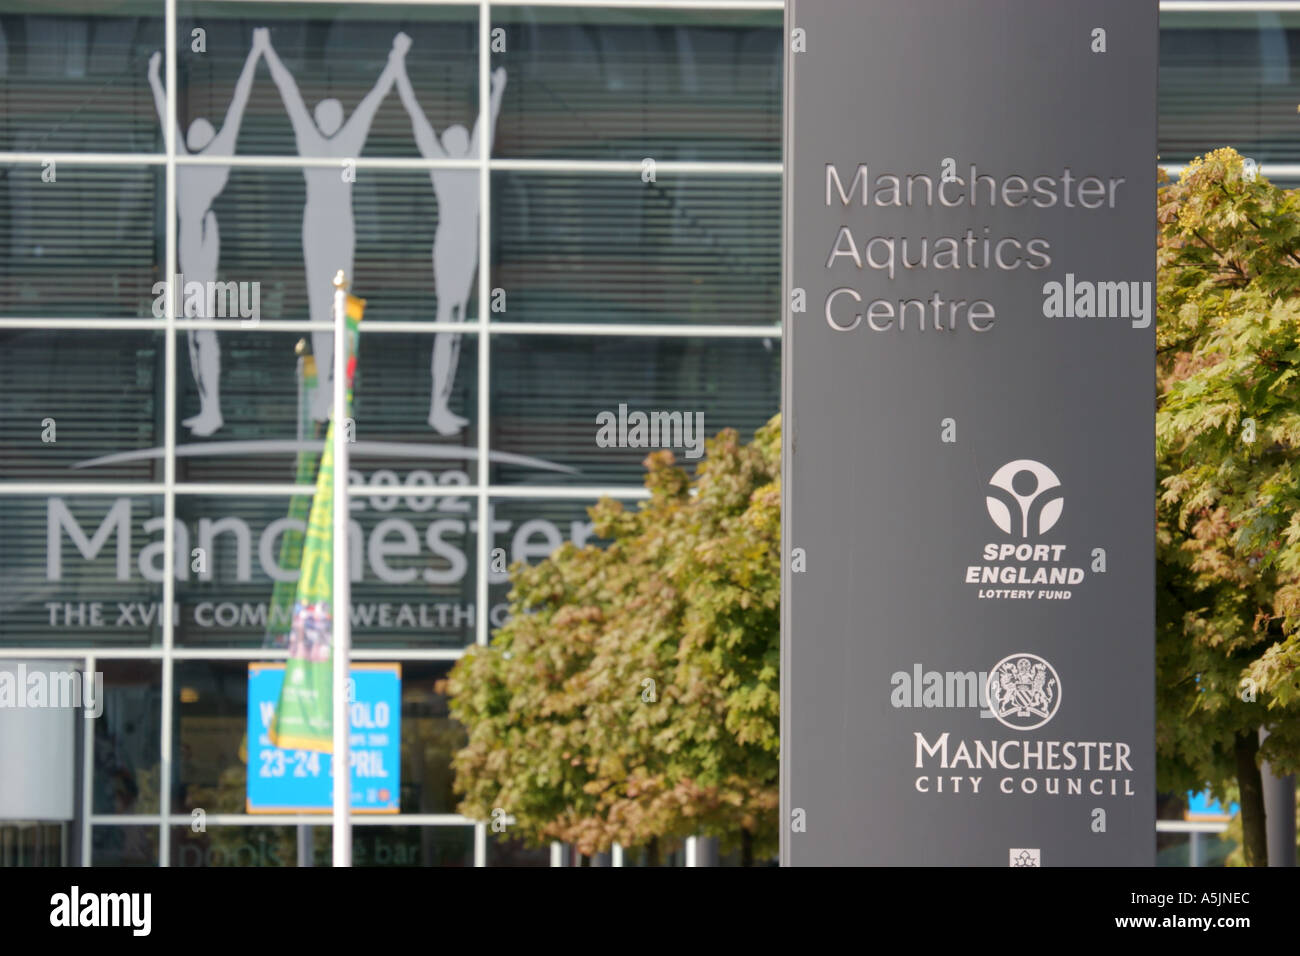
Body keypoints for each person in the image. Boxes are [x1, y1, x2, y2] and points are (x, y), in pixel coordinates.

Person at [262, 31, 411, 422]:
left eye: (334, 114)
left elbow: (374, 100)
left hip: (342, 228)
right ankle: (323, 392)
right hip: (316, 229)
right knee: (318, 306)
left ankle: (339, 390)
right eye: (323, 114)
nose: (328, 120)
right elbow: (290, 96)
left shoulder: (348, 139)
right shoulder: (309, 139)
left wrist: (396, 62)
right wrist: (267, 50)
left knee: (340, 309)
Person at [148, 33, 262, 436]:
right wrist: (154, 78)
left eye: (201, 129)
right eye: (191, 129)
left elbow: (237, 107)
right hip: (187, 241)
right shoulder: (183, 159)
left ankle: (212, 406)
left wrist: (253, 55)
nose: (194, 132)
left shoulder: (216, 159)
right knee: (196, 330)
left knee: (204, 327)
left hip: (203, 240)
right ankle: (207, 404)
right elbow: (166, 116)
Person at [392, 54, 506, 434]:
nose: (462, 143)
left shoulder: (474, 163)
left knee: (456, 327)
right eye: (453, 140)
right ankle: (437, 407)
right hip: (450, 245)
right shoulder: (442, 165)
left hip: (468, 245)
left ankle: (441, 405)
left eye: (463, 140)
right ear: (445, 145)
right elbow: (417, 118)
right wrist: (400, 72)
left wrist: (498, 89)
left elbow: (485, 127)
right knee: (448, 322)